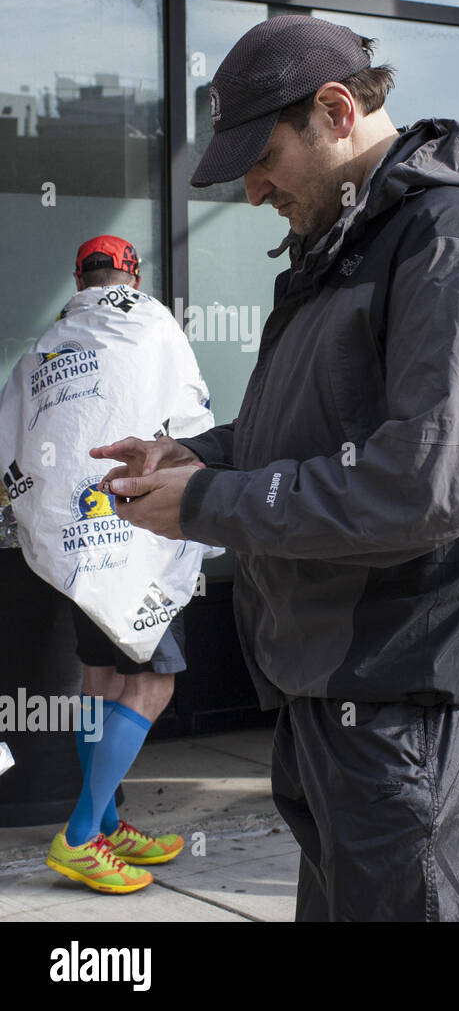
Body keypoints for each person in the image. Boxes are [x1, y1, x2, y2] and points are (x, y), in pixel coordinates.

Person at [96, 16, 459, 921]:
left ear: (336, 111)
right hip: (336, 688)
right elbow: (317, 433)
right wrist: (199, 456)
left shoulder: (449, 235)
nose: (253, 190)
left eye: (261, 158)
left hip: (403, 693)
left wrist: (213, 500)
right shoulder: (345, 236)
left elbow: (427, 484)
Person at [5, 237, 198, 895]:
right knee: (152, 685)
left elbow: (12, 444)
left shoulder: (43, 347)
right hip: (139, 537)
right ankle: (82, 834)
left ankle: (109, 824)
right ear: (131, 273)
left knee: (100, 680)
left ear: (77, 276)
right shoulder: (148, 321)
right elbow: (190, 409)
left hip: (78, 549)